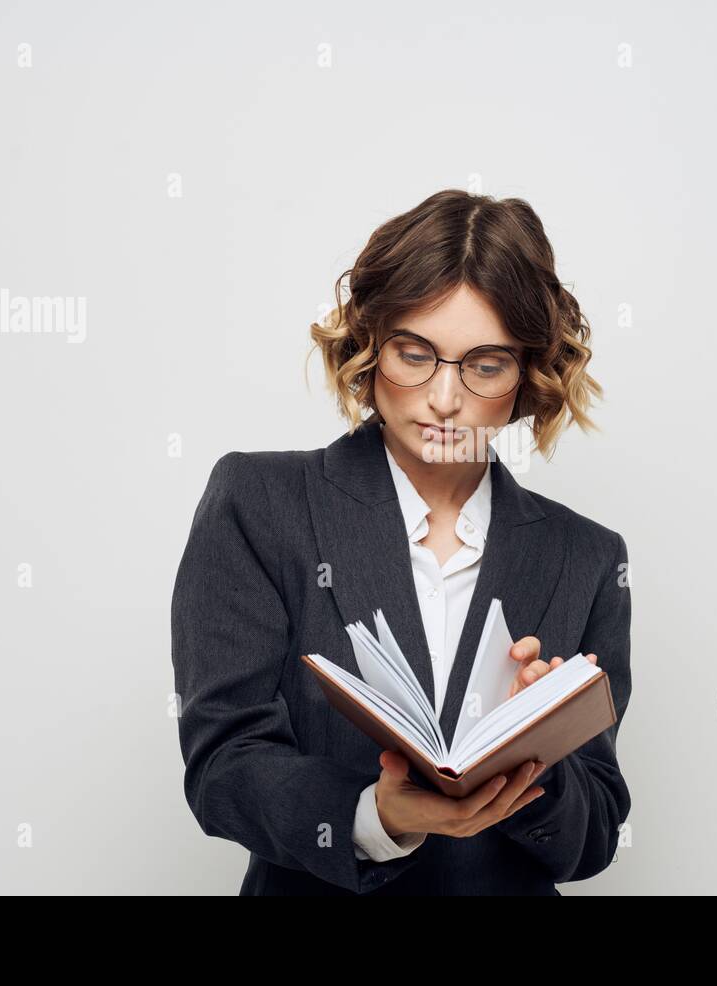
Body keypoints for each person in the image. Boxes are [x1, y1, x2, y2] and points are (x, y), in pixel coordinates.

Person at [171, 189, 632, 895]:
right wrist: (373, 818)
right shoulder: (258, 505)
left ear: (528, 373)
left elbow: (595, 834)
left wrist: (539, 757)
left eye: (484, 365)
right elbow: (224, 767)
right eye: (415, 354)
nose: (443, 400)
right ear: (369, 344)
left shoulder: (587, 558)